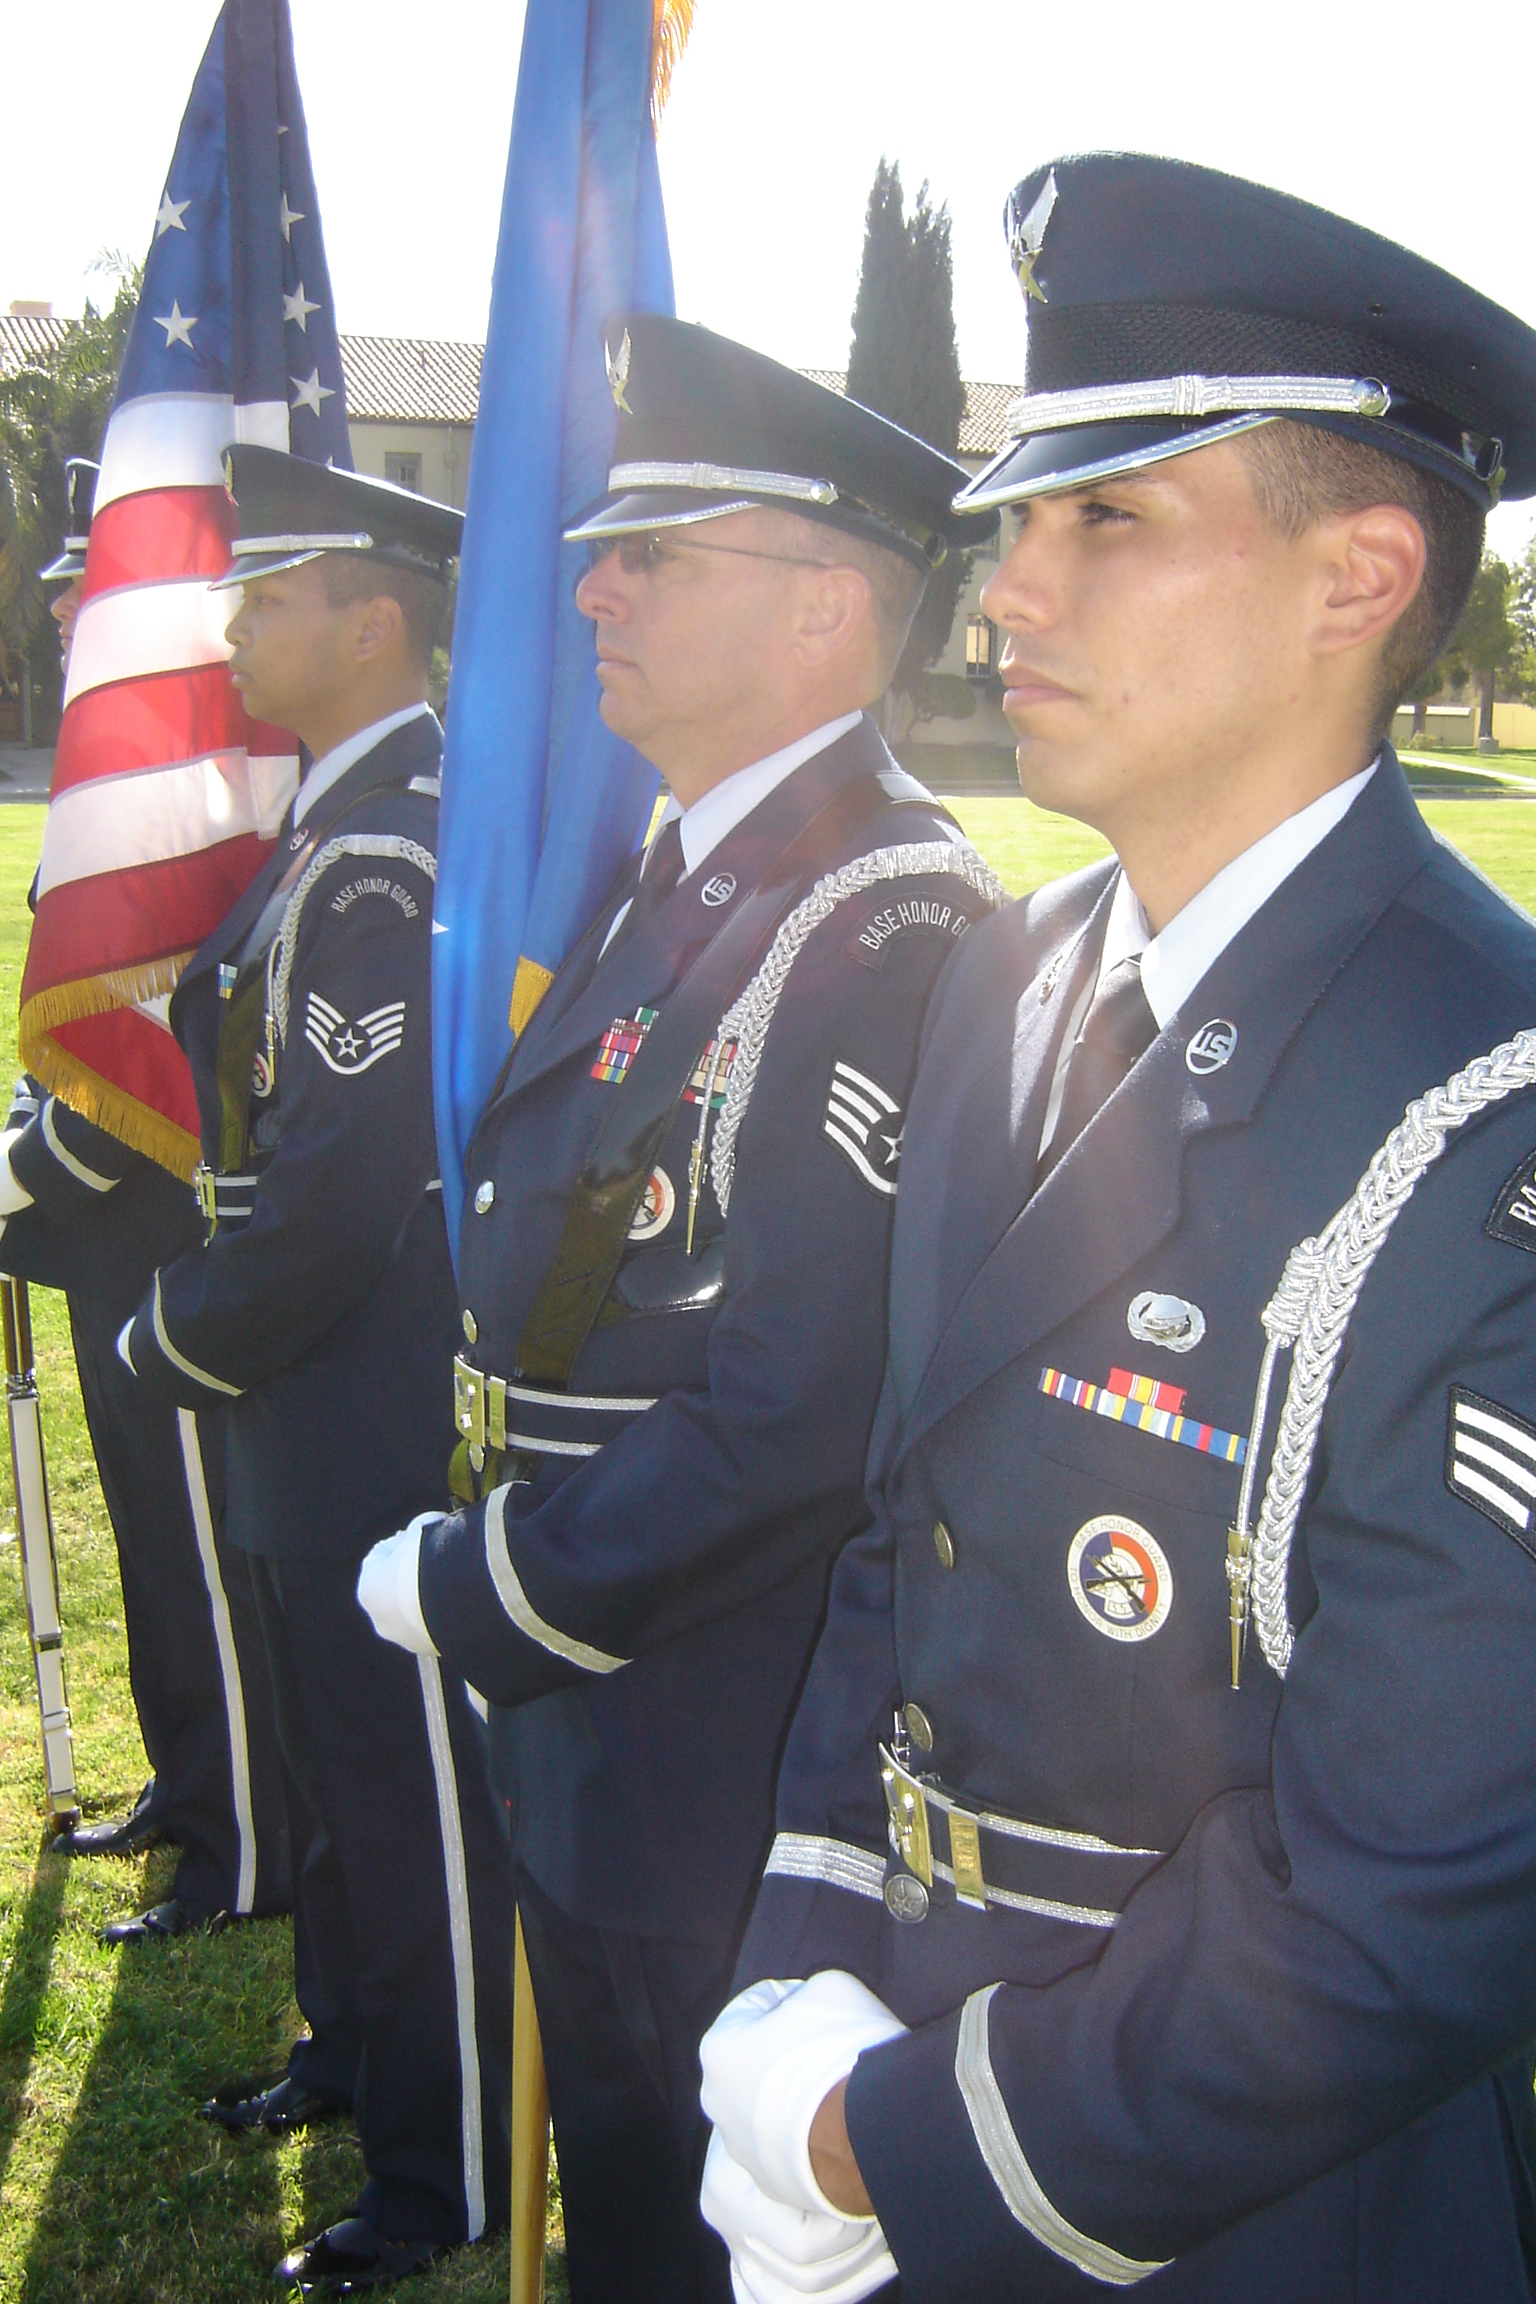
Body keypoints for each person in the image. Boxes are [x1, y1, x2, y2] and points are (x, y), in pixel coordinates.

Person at [698, 155, 1536, 2304]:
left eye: (1110, 518)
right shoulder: (1011, 976)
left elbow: (1406, 1903)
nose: (1003, 594)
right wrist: (792, 2002)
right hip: (899, 2066)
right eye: (1020, 519)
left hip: (1255, 2209)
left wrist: (890, 2146)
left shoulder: (1492, 1111)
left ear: (1361, 574)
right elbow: (904, 1546)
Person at [357, 317, 1002, 2301]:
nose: (593, 584)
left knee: (697, 2230)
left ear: (824, 612)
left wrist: (496, 1589)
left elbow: (792, 1409)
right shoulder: (703, 874)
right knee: (629, 2198)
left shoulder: (885, 921)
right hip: (607, 1702)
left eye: (657, 550)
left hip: (719, 1730)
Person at [116, 448, 511, 2294]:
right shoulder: (332, 818)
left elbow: (350, 1181)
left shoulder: (394, 840)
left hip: (371, 1394)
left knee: (407, 1783)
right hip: (306, 1393)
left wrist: (176, 1330)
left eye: (269, 596)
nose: (236, 622)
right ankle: (350, 2058)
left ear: (374, 623)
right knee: (342, 1767)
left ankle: (446, 2177)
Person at [0, 454, 290, 1946]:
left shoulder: (188, 786)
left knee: (195, 1554)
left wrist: (12, 1175)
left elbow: (151, 1071)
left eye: (87, 599)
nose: (69, 624)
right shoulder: (127, 767)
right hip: (115, 1245)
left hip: (169, 1237)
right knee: (151, 1547)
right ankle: (192, 1789)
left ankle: (248, 1842)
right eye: (64, 600)